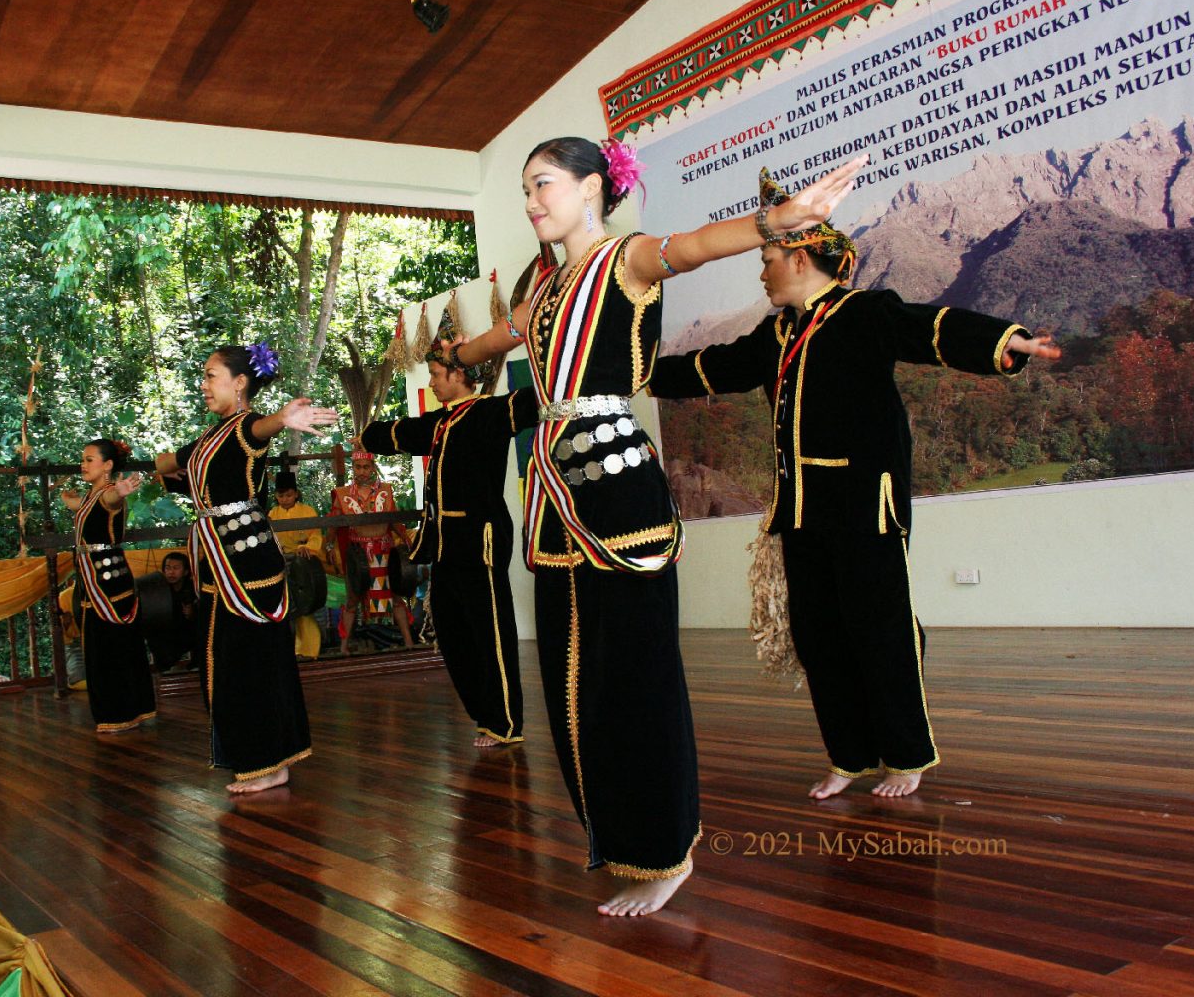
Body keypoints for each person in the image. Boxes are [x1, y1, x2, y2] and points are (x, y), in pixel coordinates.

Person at [450, 136, 866, 915]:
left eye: (544, 183)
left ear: (593, 189)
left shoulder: (627, 259)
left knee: (634, 678)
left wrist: (777, 221)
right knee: (572, 682)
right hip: (552, 498)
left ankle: (663, 850)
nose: (532, 200)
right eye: (525, 188)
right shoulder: (543, 287)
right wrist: (455, 351)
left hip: (616, 499)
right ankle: (617, 836)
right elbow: (495, 344)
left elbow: (699, 247)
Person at [649, 167, 1063, 801]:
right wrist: (635, 371)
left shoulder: (864, 313)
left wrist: (1006, 344)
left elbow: (934, 329)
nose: (760, 271)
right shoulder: (776, 334)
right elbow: (713, 367)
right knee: (819, 638)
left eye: (765, 258)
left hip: (866, 506)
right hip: (801, 511)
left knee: (882, 631)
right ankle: (849, 753)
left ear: (797, 255)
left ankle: (905, 754)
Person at [154, 343, 337, 793]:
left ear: (239, 383)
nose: (203, 384)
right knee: (227, 660)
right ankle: (269, 757)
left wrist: (283, 419)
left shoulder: (243, 429)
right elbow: (165, 462)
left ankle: (267, 762)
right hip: (220, 560)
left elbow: (261, 427)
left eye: (211, 375)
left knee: (247, 662)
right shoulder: (211, 439)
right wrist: (169, 466)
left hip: (246, 561)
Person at [359, 328, 538, 747]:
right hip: (444, 543)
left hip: (480, 540)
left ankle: (505, 722)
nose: (432, 381)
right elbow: (392, 434)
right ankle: (483, 713)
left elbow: (541, 398)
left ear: (460, 377)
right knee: (453, 632)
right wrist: (365, 437)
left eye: (437, 373)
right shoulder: (438, 422)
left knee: (490, 631)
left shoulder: (494, 412)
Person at [59, 439, 156, 733]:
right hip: (95, 582)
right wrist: (66, 496)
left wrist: (120, 490)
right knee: (105, 646)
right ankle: (128, 710)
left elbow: (112, 500)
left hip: (109, 585)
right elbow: (78, 504)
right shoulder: (90, 496)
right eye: (83, 459)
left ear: (108, 466)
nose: (83, 464)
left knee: (112, 647)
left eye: (90, 460)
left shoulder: (106, 496)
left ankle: (122, 713)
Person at [329, 449, 414, 652]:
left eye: (366, 467)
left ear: (373, 468)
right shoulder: (341, 494)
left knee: (395, 596)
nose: (362, 471)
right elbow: (333, 523)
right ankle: (343, 647)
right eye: (358, 467)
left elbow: (394, 521)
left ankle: (409, 642)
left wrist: (405, 539)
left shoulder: (386, 490)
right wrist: (329, 545)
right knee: (353, 598)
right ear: (353, 468)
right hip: (358, 553)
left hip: (385, 550)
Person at [268, 470, 324, 658]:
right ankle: (287, 650)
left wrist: (308, 547)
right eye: (281, 495)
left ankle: (309, 650)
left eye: (289, 495)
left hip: (303, 562)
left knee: (305, 605)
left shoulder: (307, 511)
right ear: (276, 496)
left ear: (296, 494)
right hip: (280, 564)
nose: (285, 499)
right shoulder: (272, 514)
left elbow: (316, 534)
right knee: (285, 607)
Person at [160, 551, 199, 669]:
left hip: (191, 635)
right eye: (168, 568)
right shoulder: (159, 590)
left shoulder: (195, 589)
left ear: (186, 572)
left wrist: (193, 613)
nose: (171, 572)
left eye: (176, 568)